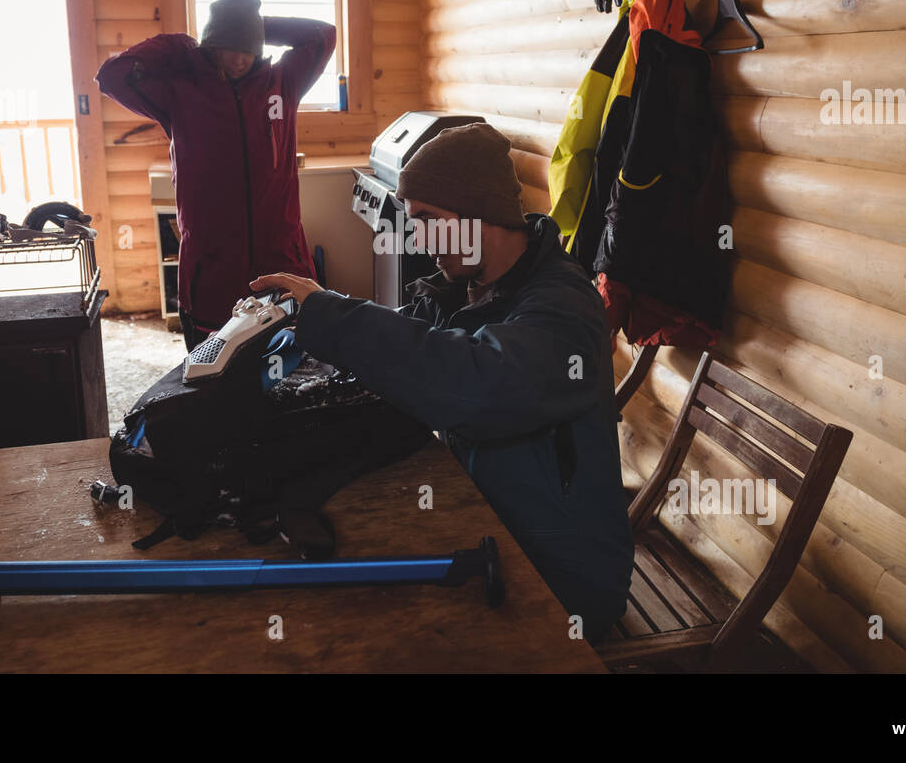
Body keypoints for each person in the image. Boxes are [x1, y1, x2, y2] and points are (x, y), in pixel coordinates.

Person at [251, 123, 634, 641]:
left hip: (562, 574)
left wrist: (333, 316)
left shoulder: (565, 311)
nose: (417, 239)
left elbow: (474, 382)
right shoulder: (465, 288)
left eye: (429, 220)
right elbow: (410, 350)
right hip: (490, 525)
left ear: (480, 214)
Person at [96, 0, 336, 351]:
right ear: (211, 45)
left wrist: (254, 27)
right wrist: (181, 44)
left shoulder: (283, 82)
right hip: (211, 272)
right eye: (228, 47)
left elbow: (323, 35)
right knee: (212, 373)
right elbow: (113, 76)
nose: (239, 59)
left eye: (247, 48)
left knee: (289, 368)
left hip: (283, 260)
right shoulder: (181, 91)